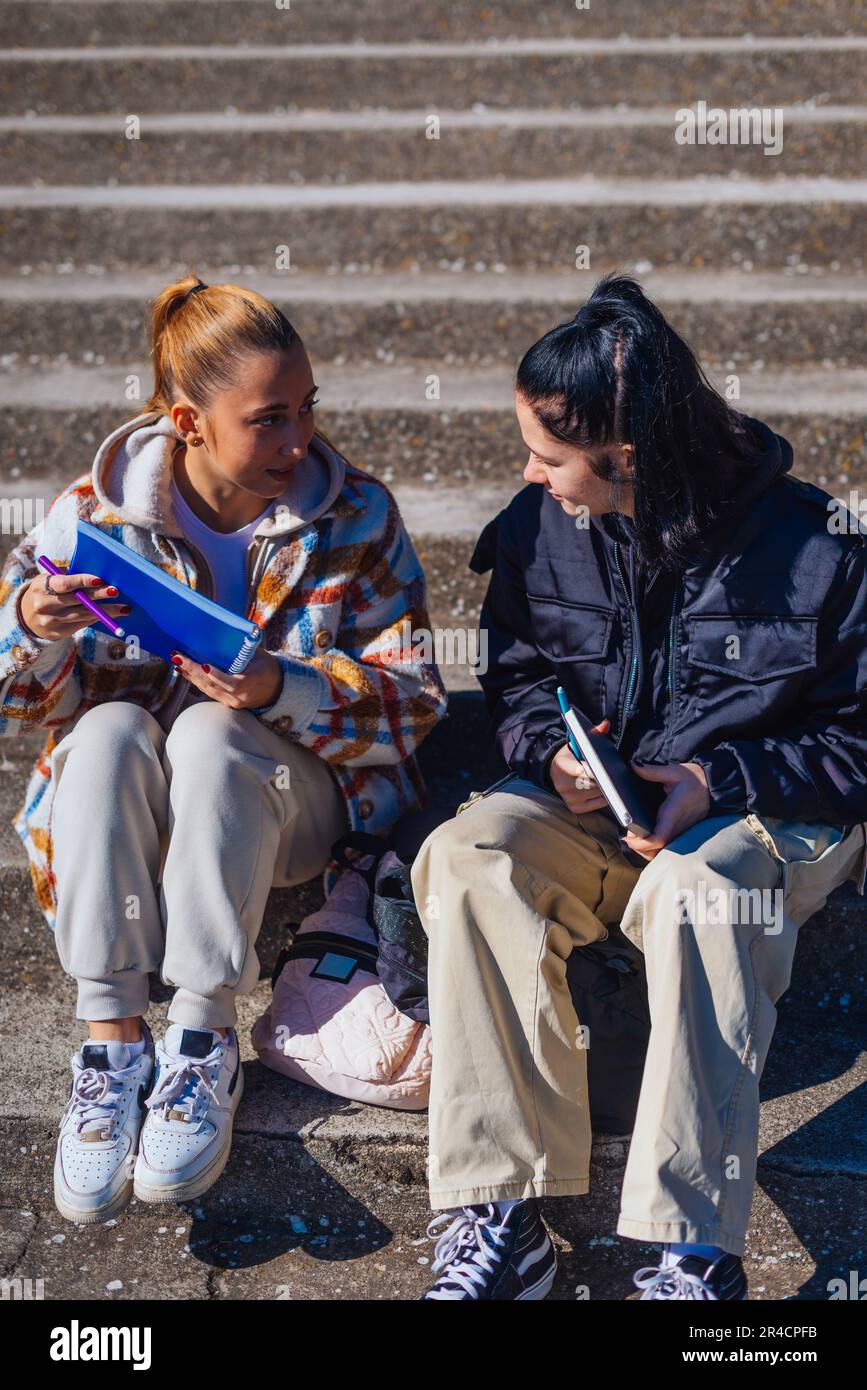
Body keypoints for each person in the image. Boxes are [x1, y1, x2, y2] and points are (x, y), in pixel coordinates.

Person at [411, 273, 867, 1300]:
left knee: (700, 895)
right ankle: (501, 1216)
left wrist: (720, 776)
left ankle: (692, 1251)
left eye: (548, 454)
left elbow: (857, 745)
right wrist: (557, 756)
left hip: (759, 817)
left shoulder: (818, 549)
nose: (529, 474)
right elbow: (521, 680)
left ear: (628, 459)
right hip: (598, 814)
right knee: (467, 855)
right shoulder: (541, 530)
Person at [0, 273, 447, 1223]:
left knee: (211, 729)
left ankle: (203, 1043)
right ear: (188, 420)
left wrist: (281, 687)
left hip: (290, 806)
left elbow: (414, 705)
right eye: (269, 419)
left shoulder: (355, 515)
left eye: (307, 410)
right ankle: (112, 1044)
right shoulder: (96, 513)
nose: (299, 442)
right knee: (111, 727)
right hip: (138, 812)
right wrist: (34, 624)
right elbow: (17, 697)